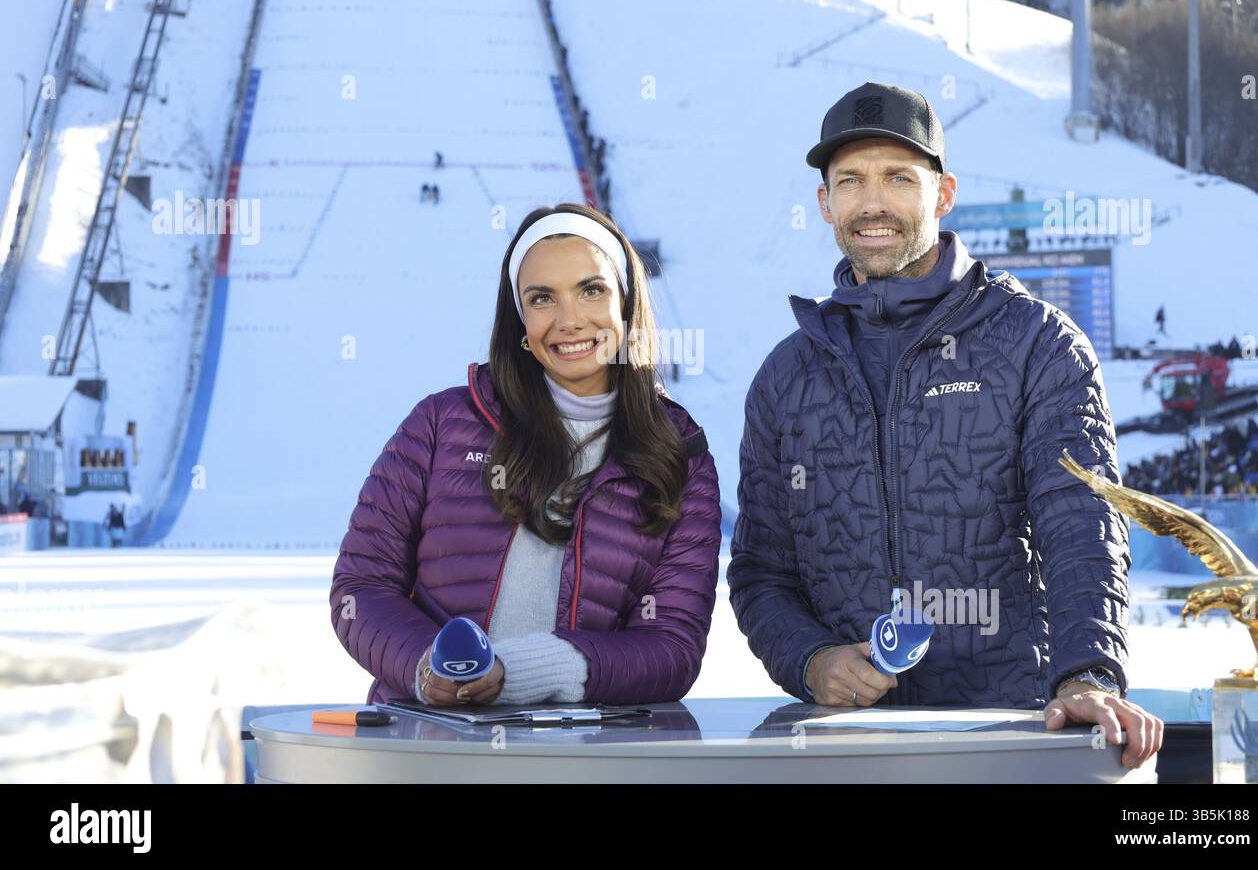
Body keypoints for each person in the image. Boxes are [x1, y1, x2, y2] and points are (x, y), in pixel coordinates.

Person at [728, 80, 1162, 769]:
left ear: (944, 193)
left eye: (899, 177)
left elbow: (1081, 524)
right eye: (851, 181)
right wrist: (812, 663)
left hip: (1013, 736)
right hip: (846, 752)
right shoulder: (786, 375)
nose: (873, 203)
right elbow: (761, 573)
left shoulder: (1037, 343)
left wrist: (1089, 673)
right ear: (825, 203)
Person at [331, 203, 721, 707]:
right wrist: (428, 667)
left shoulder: (679, 455)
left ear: (625, 299)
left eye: (591, 289)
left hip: (580, 753)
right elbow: (360, 588)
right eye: (542, 298)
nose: (570, 320)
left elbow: (671, 648)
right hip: (432, 740)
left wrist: (523, 672)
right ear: (519, 317)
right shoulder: (439, 425)